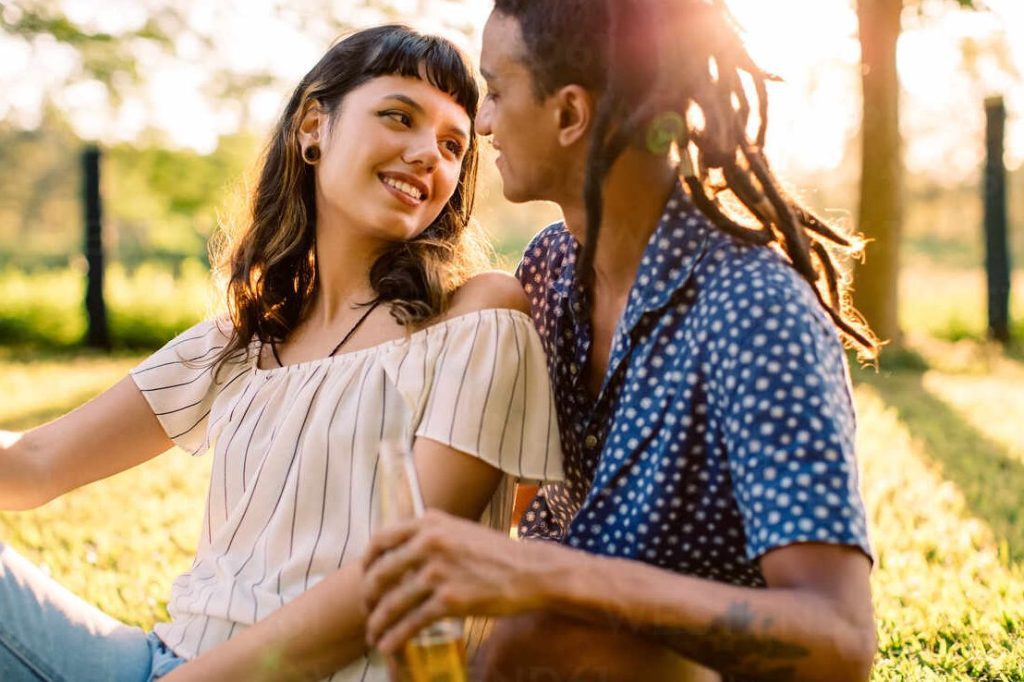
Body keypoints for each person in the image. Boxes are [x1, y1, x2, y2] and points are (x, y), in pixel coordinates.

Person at [0, 24, 563, 682]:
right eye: (398, 117)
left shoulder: (478, 316)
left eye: (451, 145)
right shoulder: (243, 339)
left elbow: (400, 579)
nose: (426, 155)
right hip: (166, 661)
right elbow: (32, 465)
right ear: (313, 128)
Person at [361, 2, 880, 680]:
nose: (483, 121)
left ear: (569, 114)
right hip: (546, 653)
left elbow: (839, 640)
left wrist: (548, 574)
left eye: (497, 90)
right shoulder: (549, 269)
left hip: (673, 665)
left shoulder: (755, 308)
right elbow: (515, 490)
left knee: (547, 643)